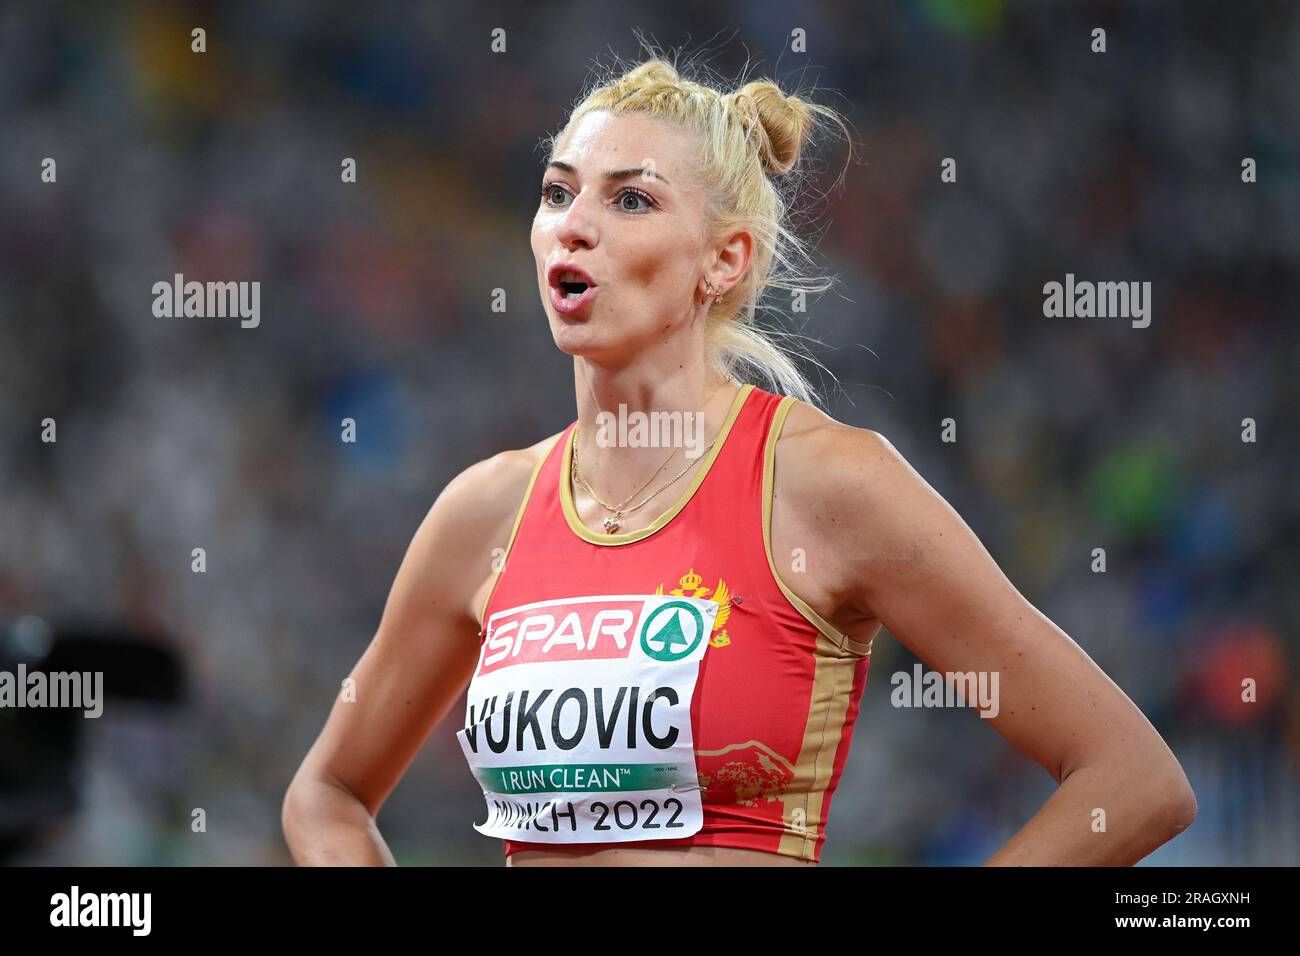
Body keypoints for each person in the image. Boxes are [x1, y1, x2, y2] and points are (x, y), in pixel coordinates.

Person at [282, 56, 1196, 867]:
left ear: (723, 261)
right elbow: (327, 796)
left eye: (630, 199)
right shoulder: (484, 511)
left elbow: (1132, 780)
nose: (573, 224)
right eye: (558, 192)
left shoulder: (827, 484)